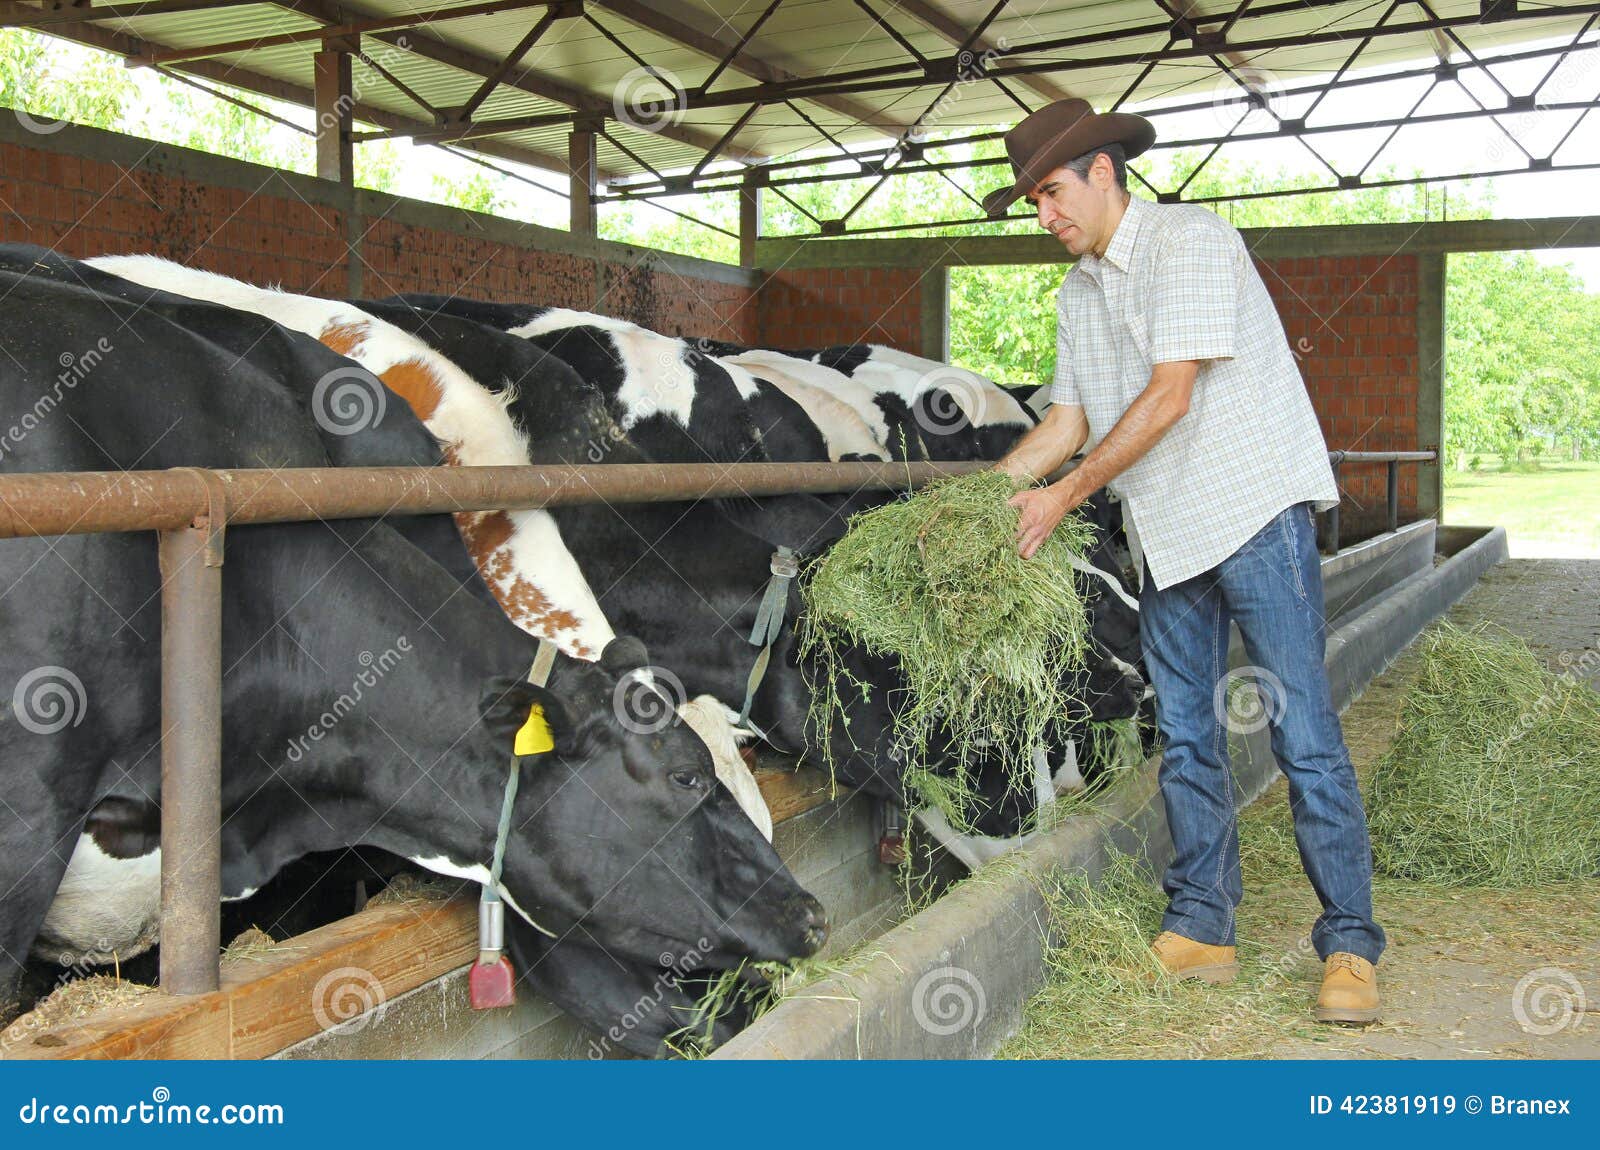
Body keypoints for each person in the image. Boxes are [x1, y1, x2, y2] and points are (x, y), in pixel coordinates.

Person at [985, 98, 1384, 1024]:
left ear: (1103, 171)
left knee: (1302, 731)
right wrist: (977, 500)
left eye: (1052, 192)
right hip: (1166, 532)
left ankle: (1350, 945)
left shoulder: (1191, 242)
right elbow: (1066, 424)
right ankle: (1203, 925)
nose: (1044, 214)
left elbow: (1170, 397)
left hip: (1252, 511)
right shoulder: (1076, 295)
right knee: (1189, 736)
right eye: (1033, 200)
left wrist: (1061, 498)